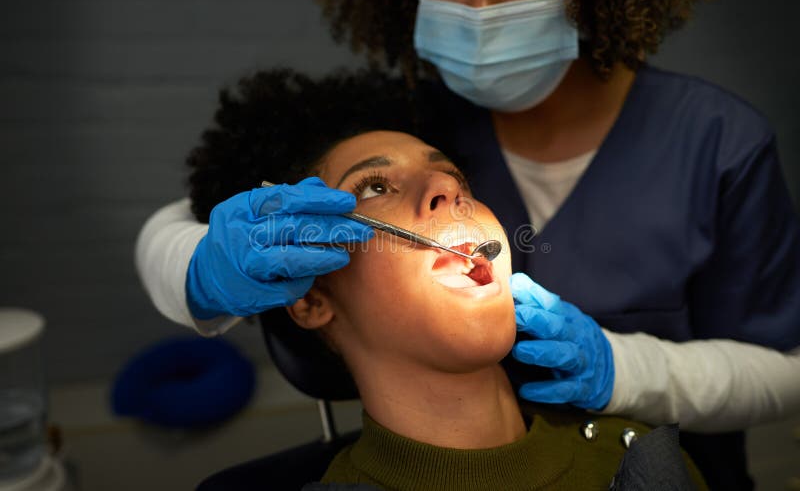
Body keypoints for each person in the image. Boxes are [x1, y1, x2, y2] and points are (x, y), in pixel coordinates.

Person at [135, 0, 800, 488]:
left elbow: (786, 369)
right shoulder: (421, 114)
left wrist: (623, 370)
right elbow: (185, 219)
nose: (481, 7)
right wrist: (204, 268)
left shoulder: (717, 142)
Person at [186, 67, 707, 490]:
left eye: (455, 177)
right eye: (372, 187)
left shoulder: (641, 458)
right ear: (312, 298)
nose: (445, 187)